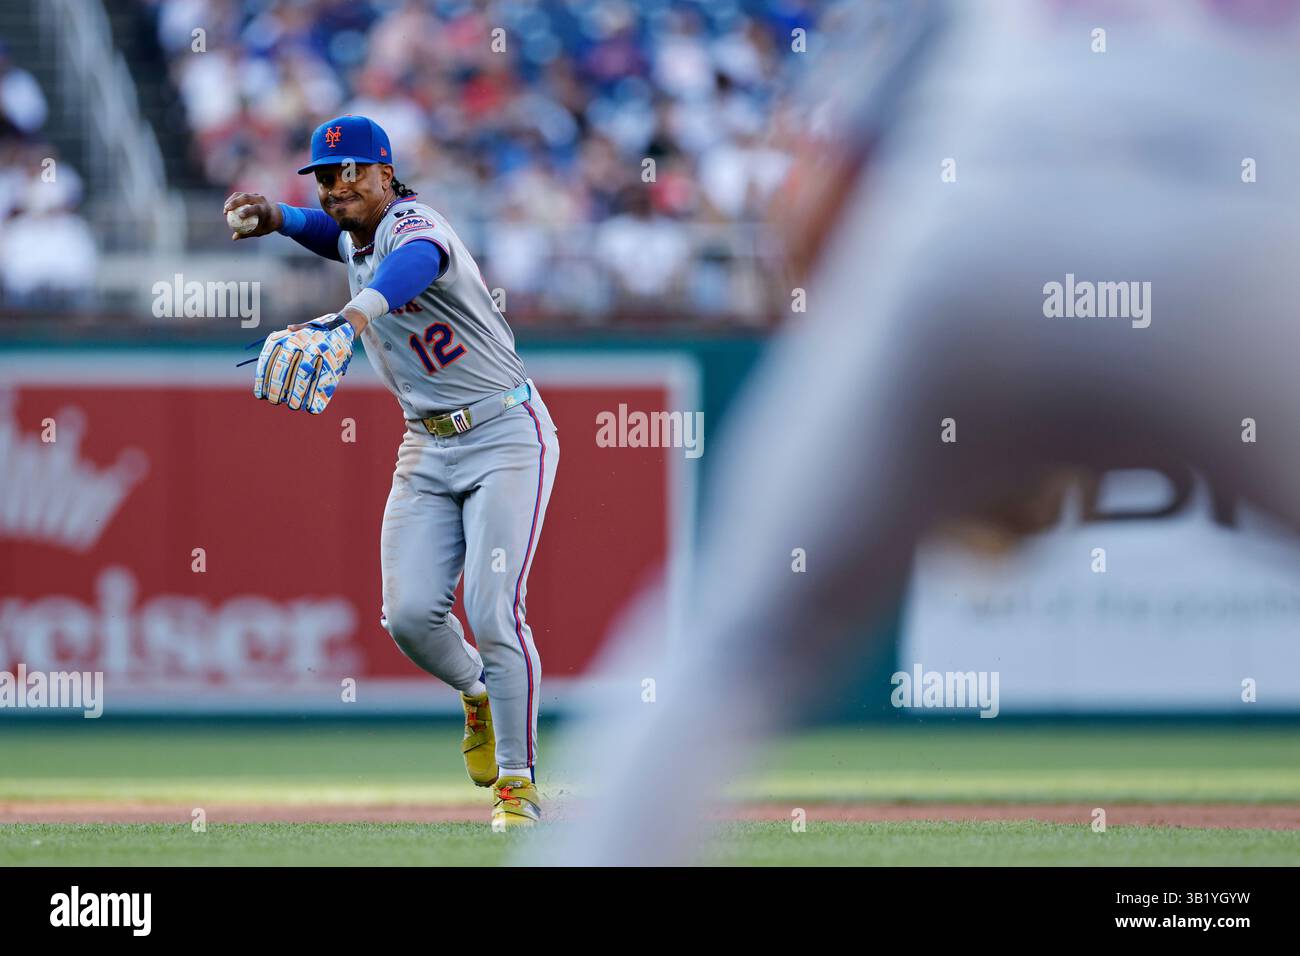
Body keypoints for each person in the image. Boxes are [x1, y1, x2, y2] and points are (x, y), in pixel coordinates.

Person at [529, 0, 1300, 863]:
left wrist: (897, 409)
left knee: (733, 642)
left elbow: (813, 208)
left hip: (979, 236)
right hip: (1244, 256)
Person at [225, 115, 559, 829]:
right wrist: (278, 216)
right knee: (408, 617)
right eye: (325, 176)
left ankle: (517, 784)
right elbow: (335, 237)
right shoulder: (353, 231)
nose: (338, 186)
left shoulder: (417, 225)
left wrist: (348, 320)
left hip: (504, 432)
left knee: (495, 609)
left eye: (352, 173)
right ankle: (475, 693)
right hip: (427, 446)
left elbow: (413, 269)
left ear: (386, 173)